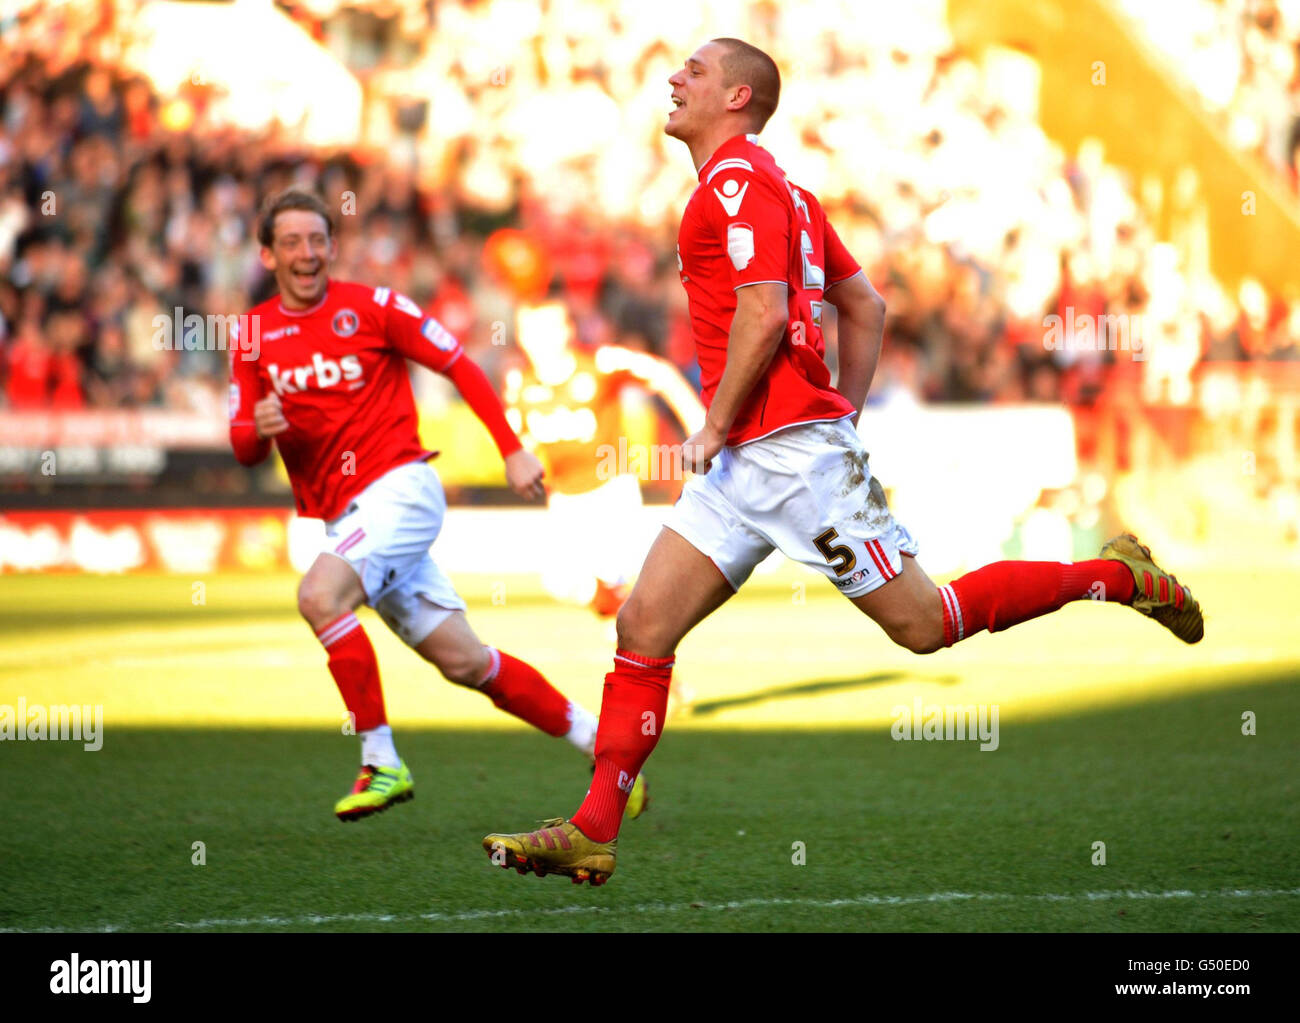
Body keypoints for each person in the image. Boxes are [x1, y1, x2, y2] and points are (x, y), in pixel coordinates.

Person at [482, 38, 1202, 885]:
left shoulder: (741, 180)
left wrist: (735, 426)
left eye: (696, 72)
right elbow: (865, 303)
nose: (675, 79)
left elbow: (763, 311)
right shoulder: (783, 188)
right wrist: (839, 413)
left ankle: (1116, 576)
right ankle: (594, 826)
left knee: (924, 624)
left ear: (739, 97)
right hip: (753, 462)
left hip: (785, 458)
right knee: (642, 626)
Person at [228, 188, 647, 822]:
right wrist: (256, 429)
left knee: (318, 596)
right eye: (291, 241)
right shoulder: (253, 335)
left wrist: (511, 449)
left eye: (318, 239)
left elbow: (460, 367)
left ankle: (381, 761)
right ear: (268, 254)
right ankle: (605, 751)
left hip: (400, 489)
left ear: (331, 248)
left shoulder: (373, 308)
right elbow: (244, 450)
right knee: (466, 661)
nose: (307, 252)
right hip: (346, 517)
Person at [503, 301, 705, 617]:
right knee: (561, 583)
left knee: (612, 578)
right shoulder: (520, 386)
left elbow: (662, 374)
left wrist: (700, 426)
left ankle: (638, 644)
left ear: (567, 330)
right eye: (531, 331)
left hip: (610, 493)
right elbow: (519, 442)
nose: (540, 340)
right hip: (564, 500)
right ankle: (625, 620)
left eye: (548, 329)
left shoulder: (600, 362)